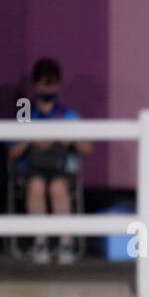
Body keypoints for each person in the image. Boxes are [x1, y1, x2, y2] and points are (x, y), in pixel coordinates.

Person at [7, 58, 92, 264]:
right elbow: (13, 152)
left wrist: (70, 139)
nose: (48, 87)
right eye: (44, 83)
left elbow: (88, 149)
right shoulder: (25, 110)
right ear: (35, 85)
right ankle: (41, 241)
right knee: (36, 186)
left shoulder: (67, 114)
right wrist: (31, 138)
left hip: (60, 169)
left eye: (52, 82)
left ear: (59, 85)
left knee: (57, 188)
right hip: (31, 169)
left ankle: (65, 242)